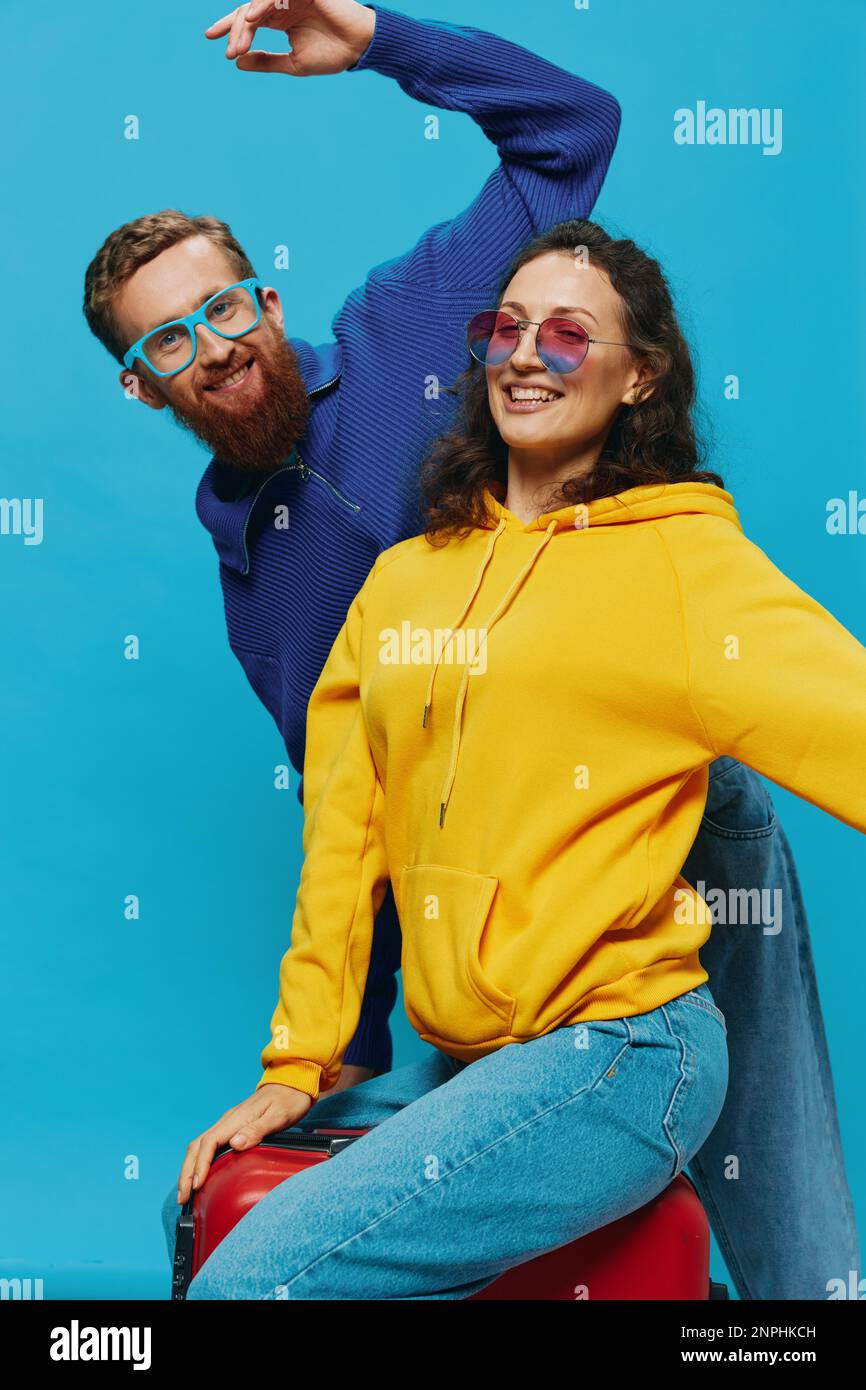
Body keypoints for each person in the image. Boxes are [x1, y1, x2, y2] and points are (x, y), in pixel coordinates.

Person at [82, 2, 858, 1298]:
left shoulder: (411, 329)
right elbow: (355, 815)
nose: (214, 346)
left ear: (266, 297)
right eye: (171, 339)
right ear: (142, 382)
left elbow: (572, 131)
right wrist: (319, 1058)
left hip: (646, 773)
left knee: (753, 1135)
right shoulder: (273, 584)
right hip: (492, 874)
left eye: (223, 306)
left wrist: (377, 38)